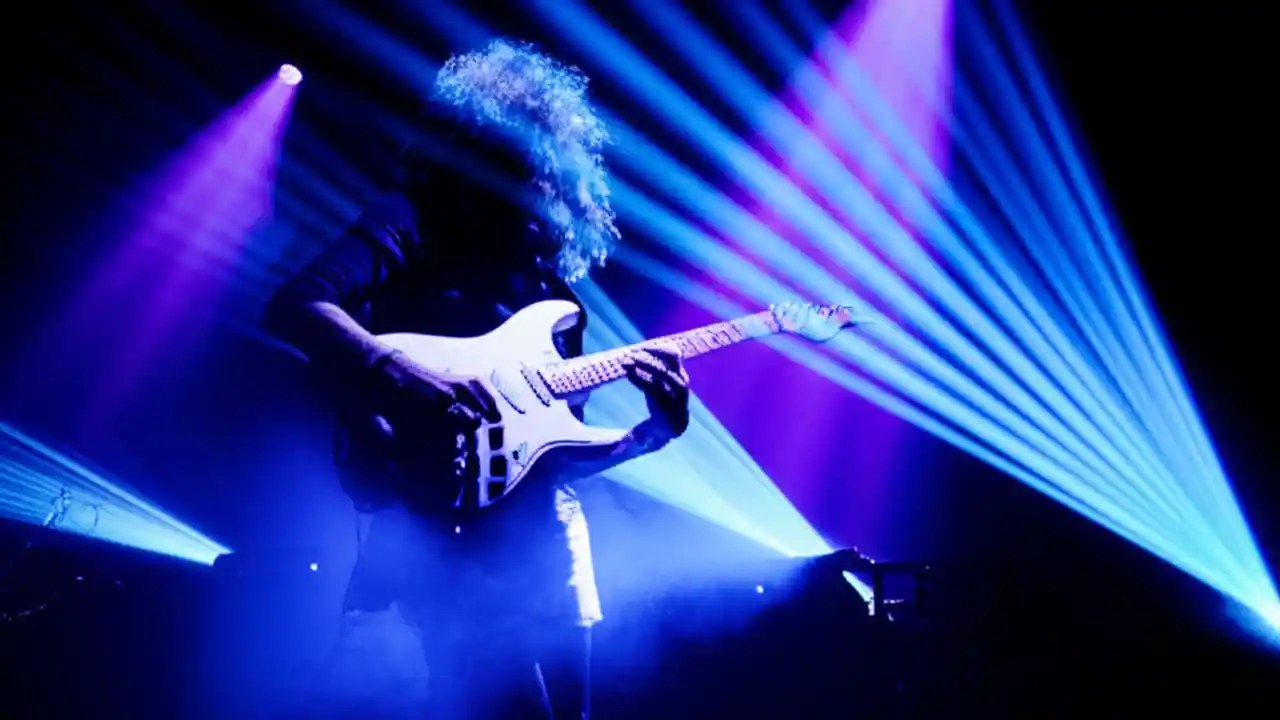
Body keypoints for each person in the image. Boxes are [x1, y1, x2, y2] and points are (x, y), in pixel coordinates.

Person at [264, 39, 690, 720]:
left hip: (544, 539)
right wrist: (393, 372)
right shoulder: (409, 224)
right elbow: (297, 303)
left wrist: (648, 437)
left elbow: (548, 457)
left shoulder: (553, 291)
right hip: (438, 529)